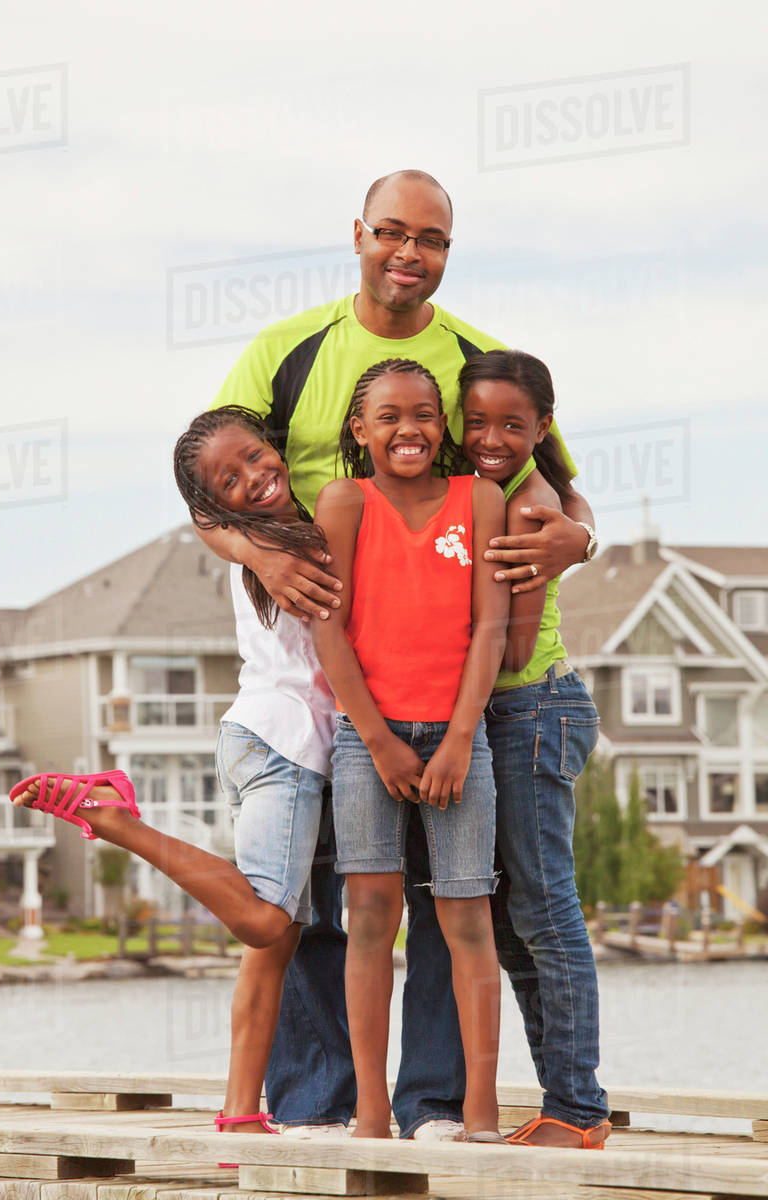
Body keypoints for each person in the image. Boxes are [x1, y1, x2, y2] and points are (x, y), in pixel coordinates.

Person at [199, 168, 599, 1140]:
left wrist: (576, 539)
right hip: (319, 677)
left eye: (431, 238)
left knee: (448, 899)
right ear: (357, 235)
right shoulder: (286, 352)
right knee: (327, 899)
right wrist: (258, 550)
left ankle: (432, 1102)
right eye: (390, 232)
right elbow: (209, 480)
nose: (408, 252)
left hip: (444, 667)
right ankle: (322, 1103)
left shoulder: (469, 355)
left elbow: (556, 480)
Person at [9, 404, 340, 1153]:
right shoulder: (274, 545)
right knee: (262, 921)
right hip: (283, 743)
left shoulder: (266, 536)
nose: (257, 477)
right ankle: (121, 820)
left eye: (258, 456)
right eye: (232, 478)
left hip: (269, 742)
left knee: (276, 942)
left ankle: (239, 1110)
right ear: (212, 508)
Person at [312, 357, 507, 1142]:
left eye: (425, 413)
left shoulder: (480, 499)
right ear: (360, 431)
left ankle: (482, 1113)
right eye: (389, 416)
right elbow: (326, 627)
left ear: (443, 423)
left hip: (462, 737)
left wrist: (460, 738)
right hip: (371, 741)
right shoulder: (343, 502)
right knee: (369, 916)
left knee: (467, 917)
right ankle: (369, 1111)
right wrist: (379, 740)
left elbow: (490, 627)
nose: (410, 429)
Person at [459, 349, 610, 1149]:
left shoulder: (527, 506)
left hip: (532, 709)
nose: (490, 437)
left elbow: (513, 653)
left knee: (546, 914)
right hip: (510, 715)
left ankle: (580, 1110)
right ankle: (562, 1100)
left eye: (510, 425)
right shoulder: (495, 492)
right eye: (476, 421)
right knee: (515, 925)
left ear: (542, 428)